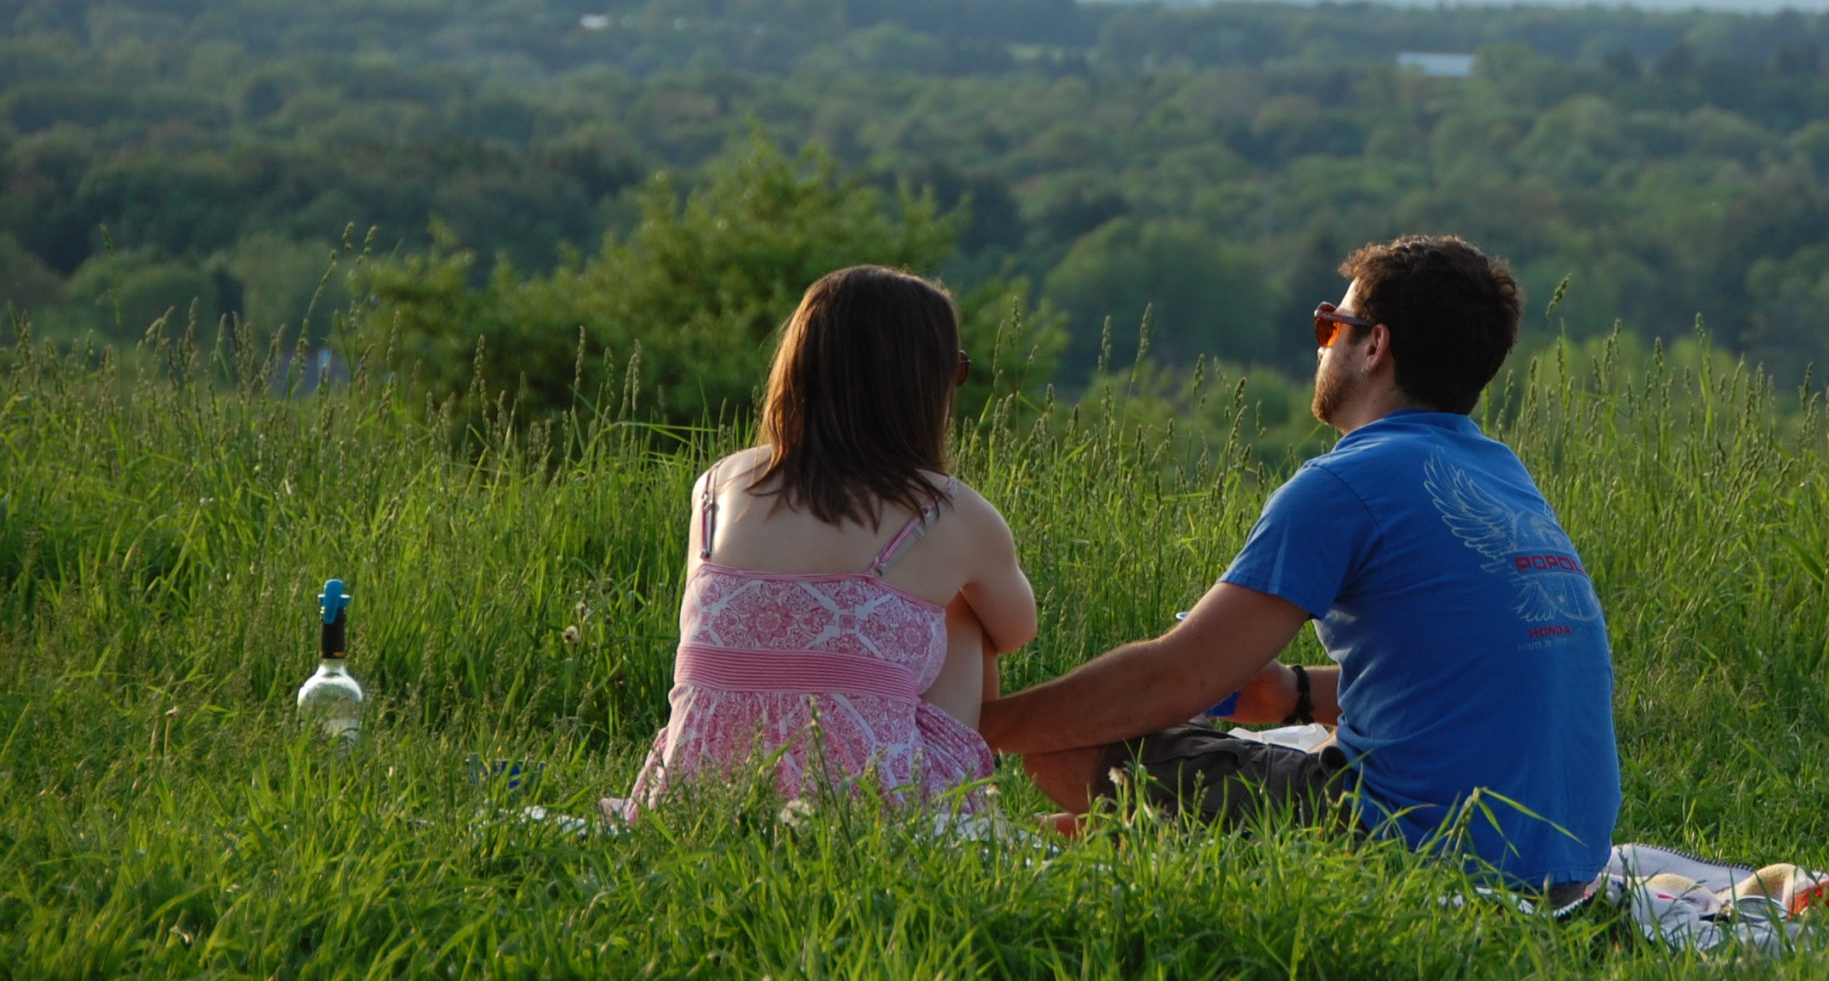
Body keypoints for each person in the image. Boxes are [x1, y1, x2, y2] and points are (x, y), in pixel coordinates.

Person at [979, 234, 1620, 895]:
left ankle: (1139, 848)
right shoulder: (1503, 478)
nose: (1321, 343)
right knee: (1193, 772)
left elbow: (1175, 679)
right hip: (1561, 871)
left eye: (1330, 325)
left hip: (1420, 857)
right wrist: (1297, 693)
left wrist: (980, 727)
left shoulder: (1344, 485)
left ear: (1374, 346)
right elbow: (1469, 670)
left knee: (1067, 749)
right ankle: (1140, 845)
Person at [607, 265, 1037, 820]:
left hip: (697, 794)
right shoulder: (948, 511)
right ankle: (957, 807)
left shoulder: (717, 487)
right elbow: (1016, 627)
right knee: (966, 611)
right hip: (865, 805)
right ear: (921, 386)